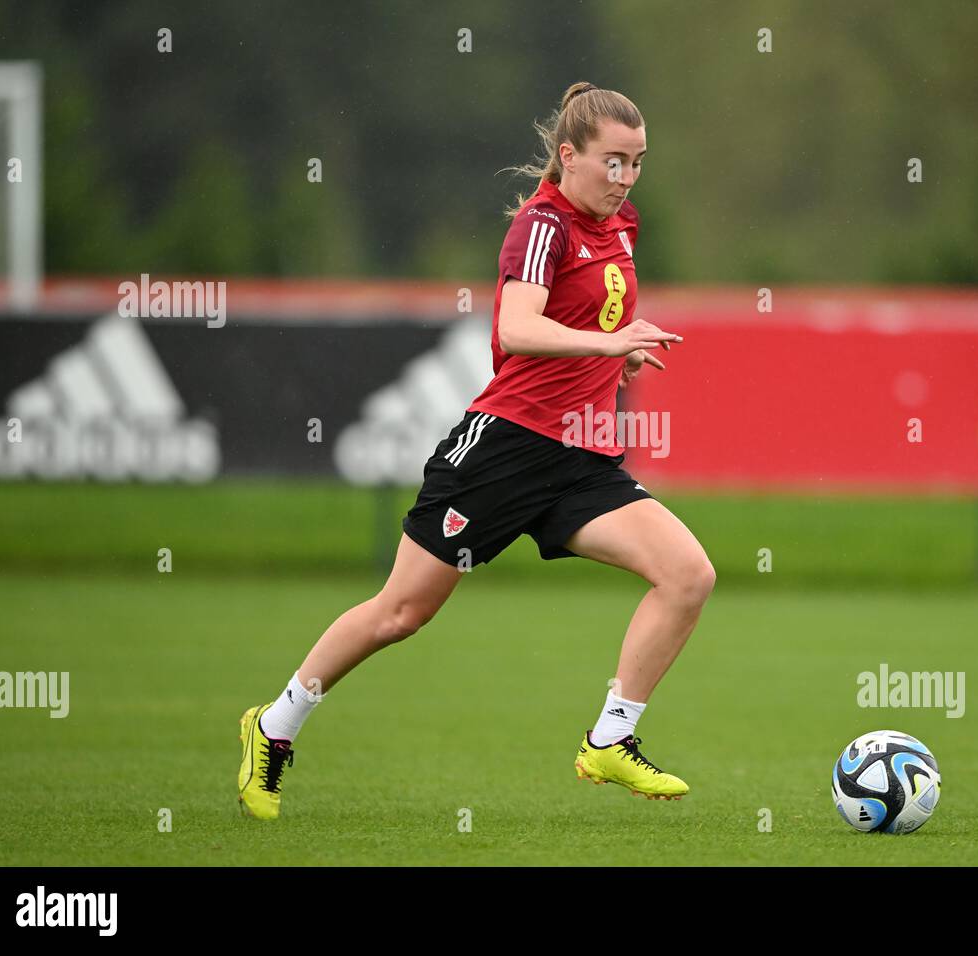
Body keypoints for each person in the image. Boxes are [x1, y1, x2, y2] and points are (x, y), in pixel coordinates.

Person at [238, 81, 715, 819]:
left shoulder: (620, 227)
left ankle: (609, 741)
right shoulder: (542, 226)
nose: (624, 179)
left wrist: (614, 357)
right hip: (503, 451)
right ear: (568, 156)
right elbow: (518, 328)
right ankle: (275, 726)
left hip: (578, 461)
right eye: (611, 162)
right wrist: (607, 342)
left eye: (637, 163)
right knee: (401, 614)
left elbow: (586, 313)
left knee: (688, 574)